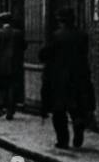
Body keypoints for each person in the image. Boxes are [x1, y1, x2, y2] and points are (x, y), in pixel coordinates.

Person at [40, 8, 94, 149]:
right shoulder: (82, 35)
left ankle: (63, 141)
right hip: (79, 76)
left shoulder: (56, 36)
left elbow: (46, 54)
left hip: (60, 78)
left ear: (60, 20)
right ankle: (78, 125)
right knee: (77, 106)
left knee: (59, 111)